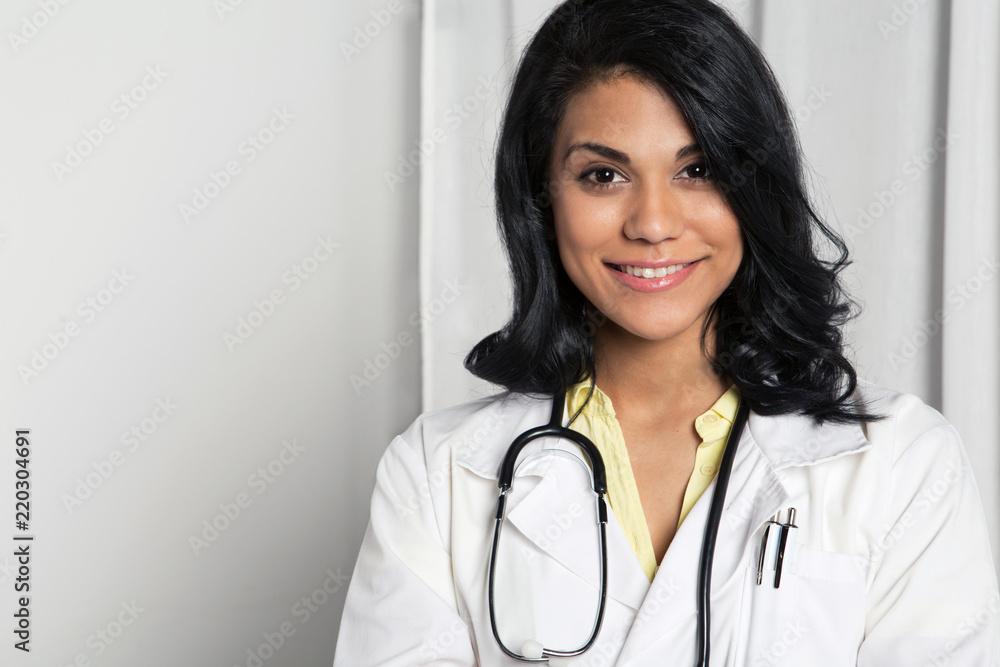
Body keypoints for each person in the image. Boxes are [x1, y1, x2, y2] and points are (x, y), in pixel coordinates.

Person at [333, 0, 999, 664]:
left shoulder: (902, 464)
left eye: (699, 169)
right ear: (541, 197)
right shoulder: (437, 473)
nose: (652, 222)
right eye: (603, 175)